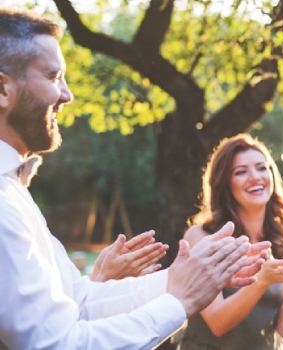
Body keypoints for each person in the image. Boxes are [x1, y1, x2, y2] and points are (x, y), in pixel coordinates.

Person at [0, 7, 268, 349]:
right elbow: (58, 344)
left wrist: (179, 280)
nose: (67, 95)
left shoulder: (13, 191)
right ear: (3, 88)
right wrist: (180, 301)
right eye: (54, 77)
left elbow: (77, 300)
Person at [180, 134, 283, 350]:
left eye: (262, 168)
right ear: (225, 184)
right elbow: (217, 322)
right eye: (241, 172)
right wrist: (262, 281)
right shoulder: (202, 237)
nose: (255, 177)